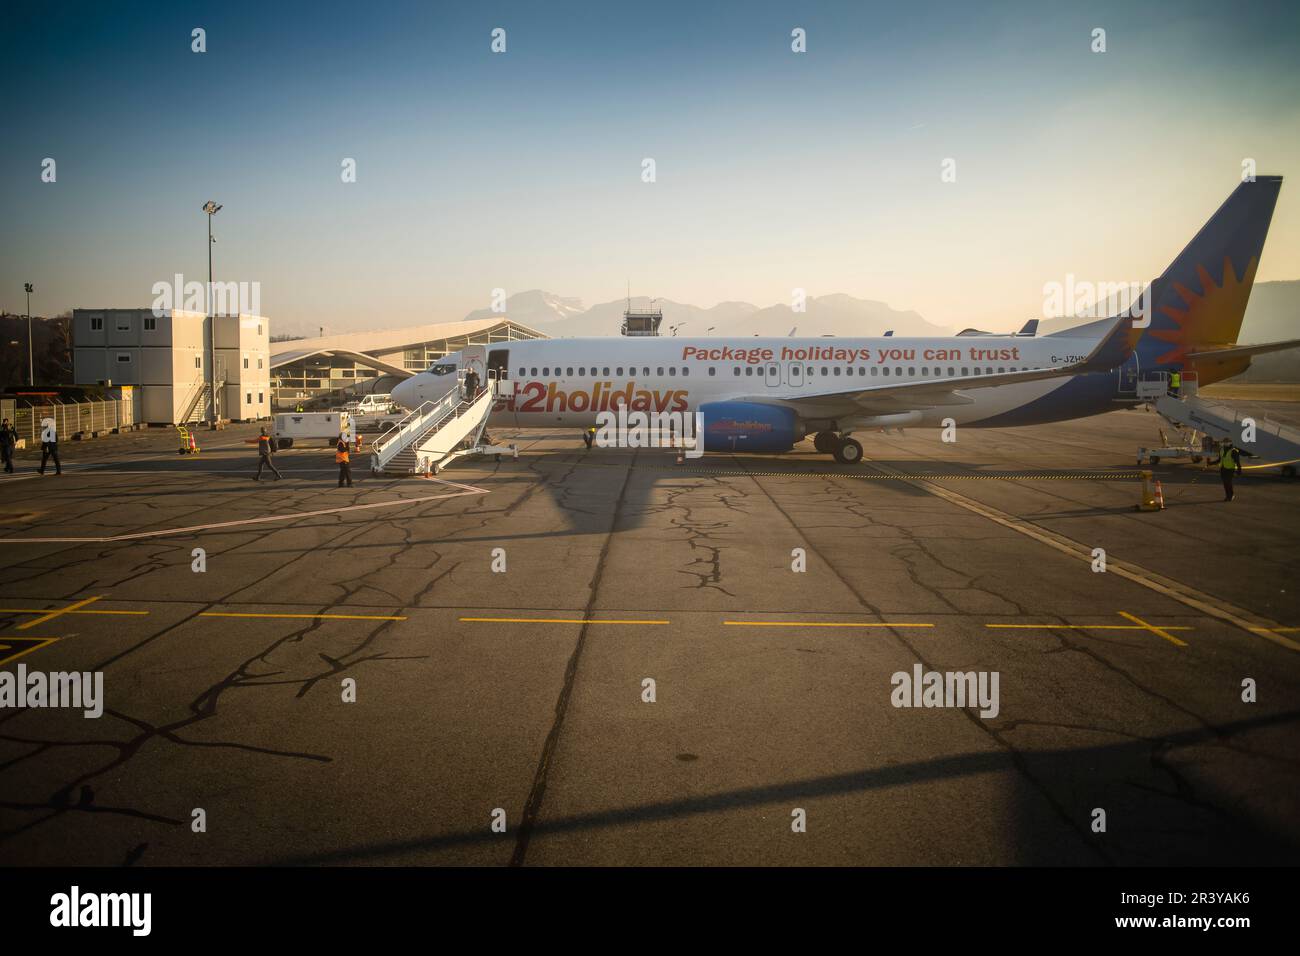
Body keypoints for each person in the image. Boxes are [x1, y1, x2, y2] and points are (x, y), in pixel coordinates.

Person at [1210, 437, 1253, 501]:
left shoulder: (1234, 451)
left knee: (1228, 482)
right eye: (1224, 442)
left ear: (1230, 443)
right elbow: (1219, 460)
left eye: (1226, 442)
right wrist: (1211, 463)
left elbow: (1237, 462)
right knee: (1225, 483)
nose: (1225, 443)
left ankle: (1230, 495)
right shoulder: (1221, 450)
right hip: (1222, 468)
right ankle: (1228, 495)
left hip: (1230, 469)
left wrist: (1239, 470)